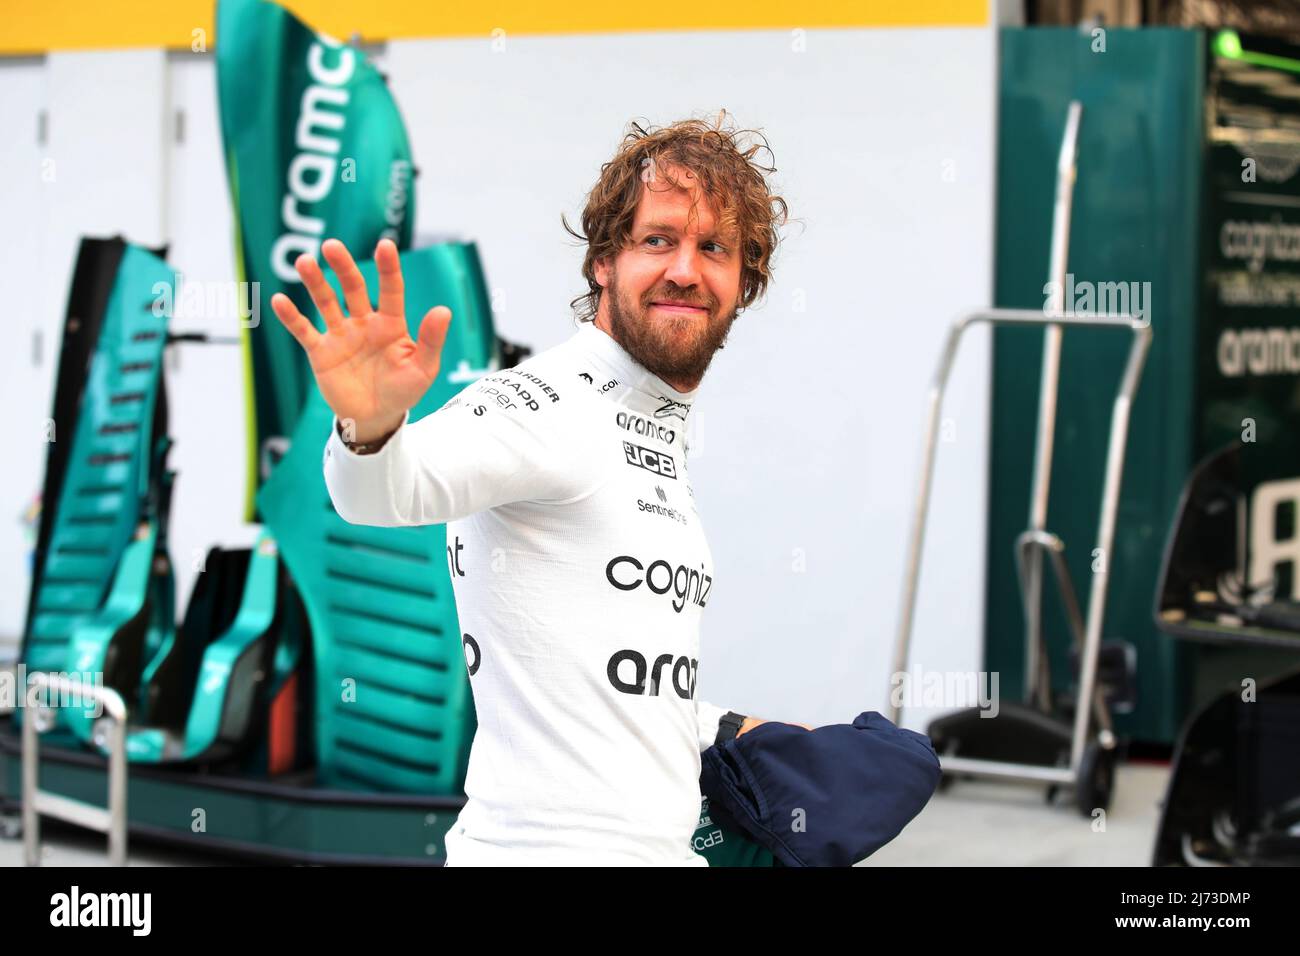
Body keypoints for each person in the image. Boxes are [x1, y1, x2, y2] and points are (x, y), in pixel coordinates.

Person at [270, 112, 806, 865]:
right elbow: (387, 493)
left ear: (742, 282)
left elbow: (600, 684)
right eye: (658, 239)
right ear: (603, 264)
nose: (686, 268)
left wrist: (733, 730)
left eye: (713, 247)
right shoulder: (545, 403)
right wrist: (371, 425)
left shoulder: (654, 425)